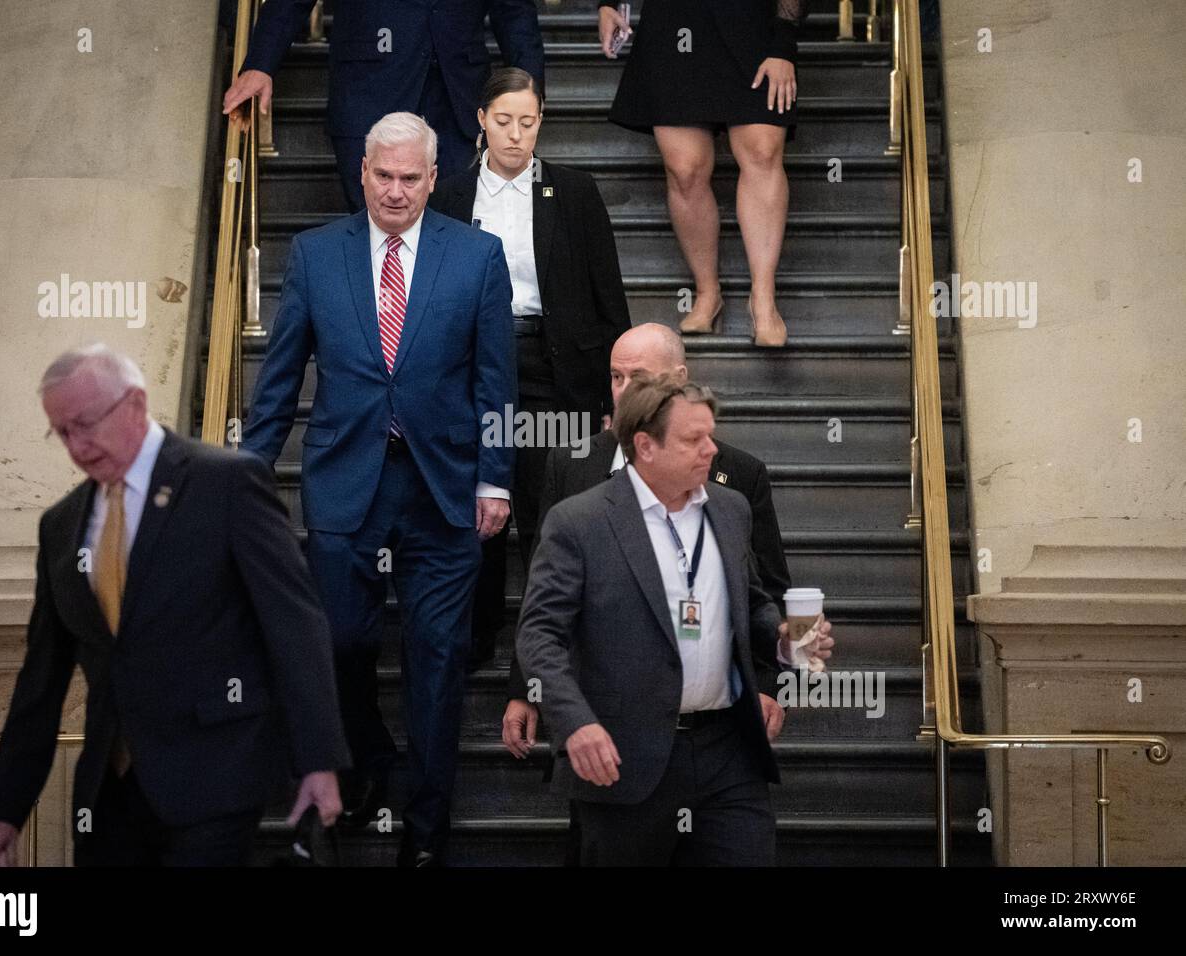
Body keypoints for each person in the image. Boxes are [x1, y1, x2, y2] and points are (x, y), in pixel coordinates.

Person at [242, 112, 517, 867]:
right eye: (382, 176)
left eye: (410, 178)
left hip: (446, 490)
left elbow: (496, 383)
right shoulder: (314, 255)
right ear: (362, 172)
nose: (395, 192)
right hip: (343, 483)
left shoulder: (478, 256)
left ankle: (427, 833)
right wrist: (246, 476)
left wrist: (496, 477)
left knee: (437, 659)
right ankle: (366, 764)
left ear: (434, 178)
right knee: (335, 644)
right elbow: (278, 381)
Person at [0, 345, 347, 867]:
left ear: (134, 403)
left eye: (85, 424)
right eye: (62, 432)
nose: (77, 446)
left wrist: (318, 761)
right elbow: (42, 677)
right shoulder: (60, 525)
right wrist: (6, 810)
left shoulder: (226, 483)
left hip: (215, 776)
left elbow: (296, 626)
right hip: (110, 791)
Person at [516, 373, 828, 865]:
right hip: (623, 757)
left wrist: (786, 642)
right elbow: (538, 635)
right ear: (645, 446)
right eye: (693, 439)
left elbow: (750, 604)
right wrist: (575, 723)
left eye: (711, 434)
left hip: (728, 753)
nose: (711, 449)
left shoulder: (730, 509)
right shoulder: (580, 522)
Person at [503, 323, 826, 751]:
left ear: (678, 380)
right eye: (616, 378)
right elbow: (542, 595)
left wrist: (769, 685)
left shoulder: (738, 474)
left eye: (637, 379)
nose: (622, 392)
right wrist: (527, 688)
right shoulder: (572, 466)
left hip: (717, 727)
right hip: (604, 721)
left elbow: (764, 590)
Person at [430, 67, 632, 670]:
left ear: (541, 123)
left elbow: (608, 297)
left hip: (554, 365)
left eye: (528, 122)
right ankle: (476, 637)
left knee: (552, 504)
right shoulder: (449, 198)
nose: (516, 135)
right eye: (503, 121)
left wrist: (614, 394)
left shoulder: (573, 191)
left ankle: (548, 652)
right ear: (480, 121)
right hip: (471, 366)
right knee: (478, 500)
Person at [597, 0, 807, 346]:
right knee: (684, 168)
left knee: (762, 150)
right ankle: (707, 293)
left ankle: (764, 300)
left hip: (752, 23)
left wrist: (783, 44)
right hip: (674, 21)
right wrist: (608, 4)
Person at [225, 0, 545, 211]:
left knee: (454, 238)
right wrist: (260, 64)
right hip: (368, 91)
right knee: (378, 236)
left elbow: (514, 12)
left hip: (458, 99)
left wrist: (528, 90)